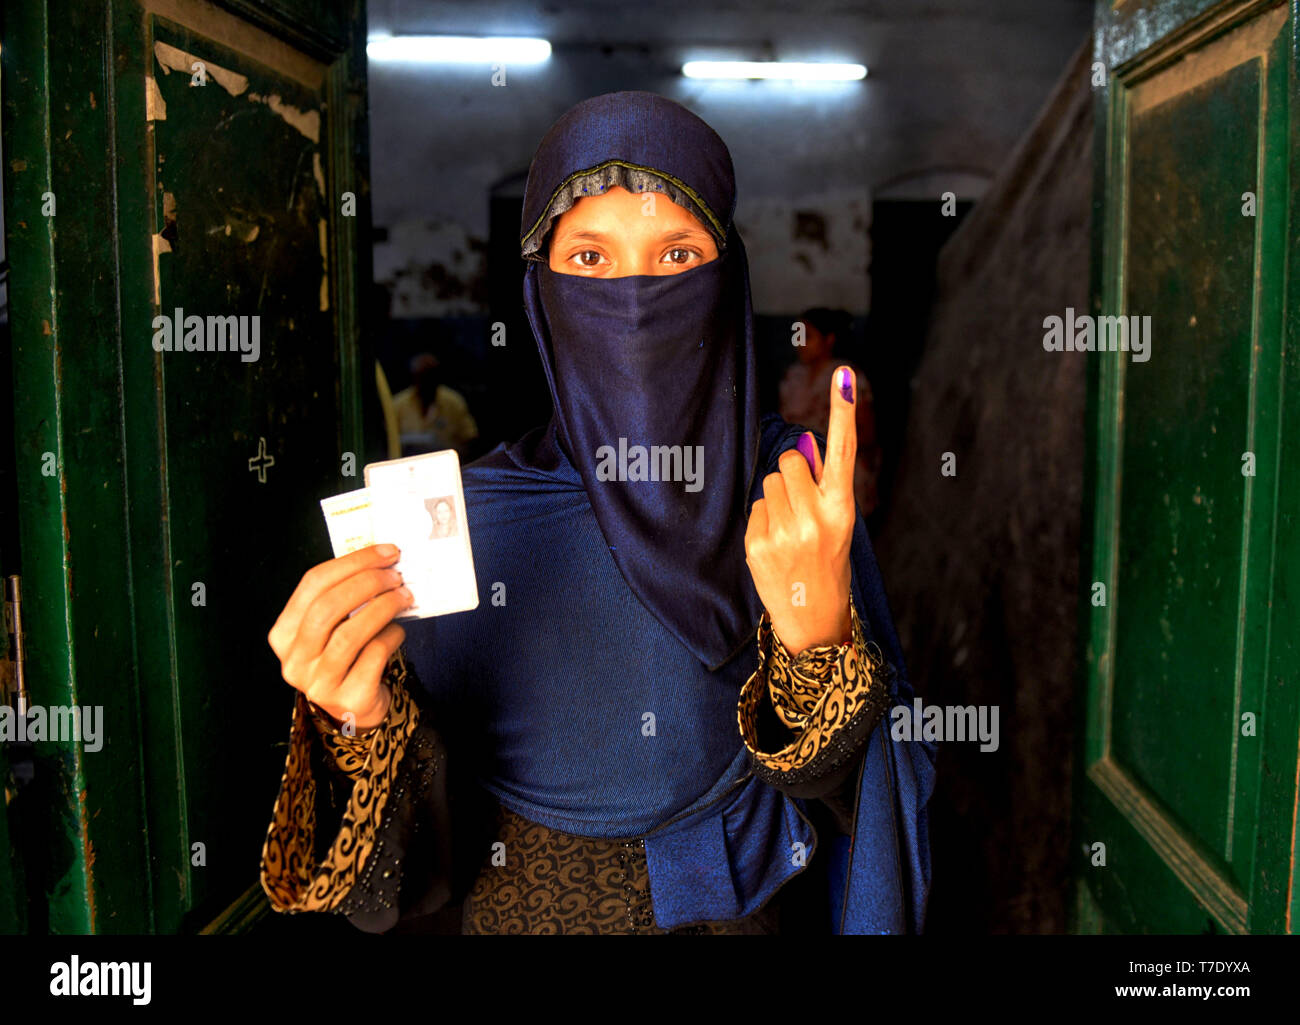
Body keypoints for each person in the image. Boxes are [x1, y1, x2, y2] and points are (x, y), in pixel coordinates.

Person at [260, 92, 935, 934]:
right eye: (589, 258)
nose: (636, 297)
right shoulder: (465, 518)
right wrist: (352, 721)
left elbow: (864, 814)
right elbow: (404, 885)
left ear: (726, 283)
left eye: (678, 252)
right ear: (542, 294)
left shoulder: (792, 492)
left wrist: (818, 642)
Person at [779, 308, 883, 516]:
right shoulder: (794, 377)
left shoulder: (845, 376)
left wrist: (825, 447)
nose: (800, 343)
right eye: (797, 336)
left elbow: (867, 433)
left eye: (808, 336)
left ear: (829, 340)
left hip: (839, 470)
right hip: (798, 469)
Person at [391, 353, 479, 457]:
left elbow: (470, 439)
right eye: (422, 377)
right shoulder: (398, 404)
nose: (425, 382)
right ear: (414, 377)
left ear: (437, 377)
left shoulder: (453, 402)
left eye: (430, 376)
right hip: (408, 464)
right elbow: (389, 443)